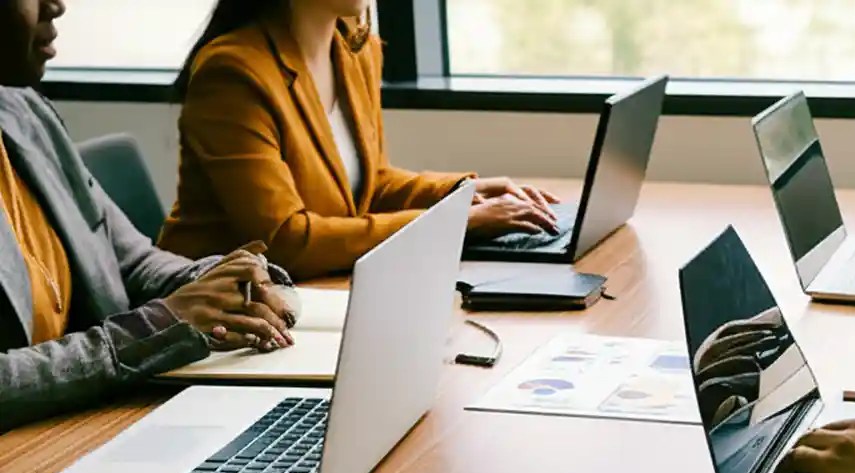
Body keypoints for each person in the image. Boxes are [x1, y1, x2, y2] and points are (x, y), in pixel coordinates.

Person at [1, 0, 295, 431]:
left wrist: (230, 281)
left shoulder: (24, 112)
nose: (56, 5)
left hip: (95, 420)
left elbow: (134, 262)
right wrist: (155, 327)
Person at [157, 0, 561, 280]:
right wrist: (453, 222)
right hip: (224, 311)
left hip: (313, 294)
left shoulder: (355, 47)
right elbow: (283, 241)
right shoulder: (233, 72)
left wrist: (457, 193)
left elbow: (367, 187)